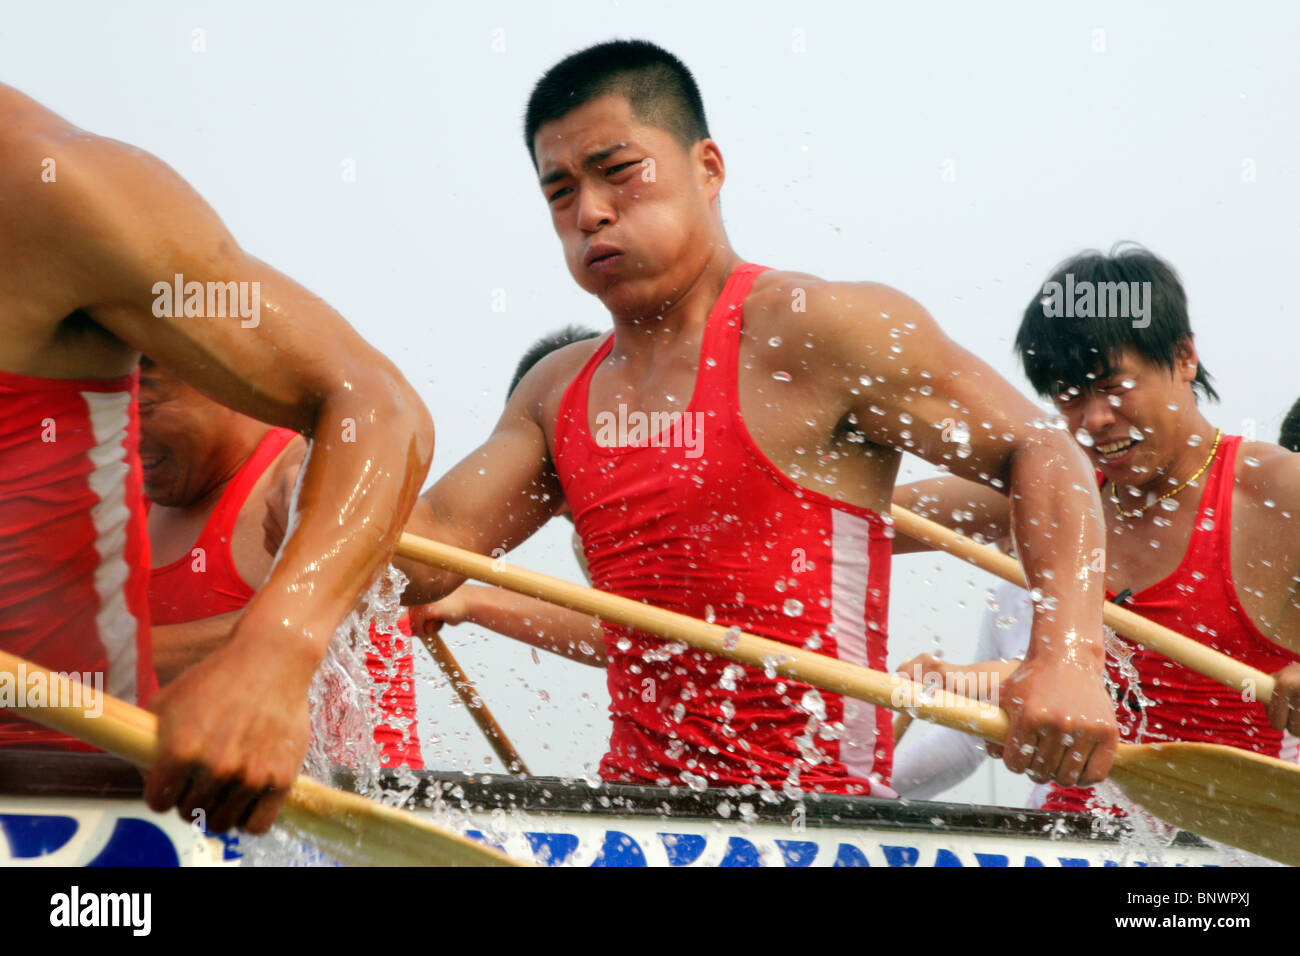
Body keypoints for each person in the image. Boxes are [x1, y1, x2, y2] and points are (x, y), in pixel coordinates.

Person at [280, 40, 1118, 797]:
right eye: (560, 191)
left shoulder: (821, 329)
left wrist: (1069, 657)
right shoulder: (553, 392)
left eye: (620, 171)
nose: (590, 213)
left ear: (708, 167)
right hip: (639, 814)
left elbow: (1043, 452)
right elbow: (424, 554)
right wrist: (298, 444)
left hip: (820, 818)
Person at [0, 82, 434, 834]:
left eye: (155, 397)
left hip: (73, 812)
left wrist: (273, 654)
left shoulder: (57, 190)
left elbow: (375, 403)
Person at [894, 244, 1300, 812]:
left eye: (1112, 386)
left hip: (1216, 858)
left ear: (1184, 357)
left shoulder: (1280, 492)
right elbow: (858, 515)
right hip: (1065, 840)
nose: (1094, 420)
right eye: (1070, 397)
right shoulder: (1058, 490)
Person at [140, 358, 421, 769]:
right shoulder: (120, 491)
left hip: (346, 808)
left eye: (144, 404)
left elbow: (320, 633)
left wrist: (62, 666)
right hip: (193, 795)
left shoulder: (306, 477)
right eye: (108, 401)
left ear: (217, 380)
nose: (121, 429)